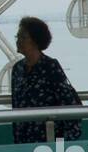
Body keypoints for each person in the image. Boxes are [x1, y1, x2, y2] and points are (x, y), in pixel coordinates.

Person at [10, 16, 82, 144]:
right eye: (17, 37)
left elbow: (69, 101)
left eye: (23, 37)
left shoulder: (50, 66)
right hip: (24, 139)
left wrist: (62, 142)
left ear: (36, 41)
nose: (18, 41)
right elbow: (16, 105)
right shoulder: (17, 69)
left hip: (49, 139)